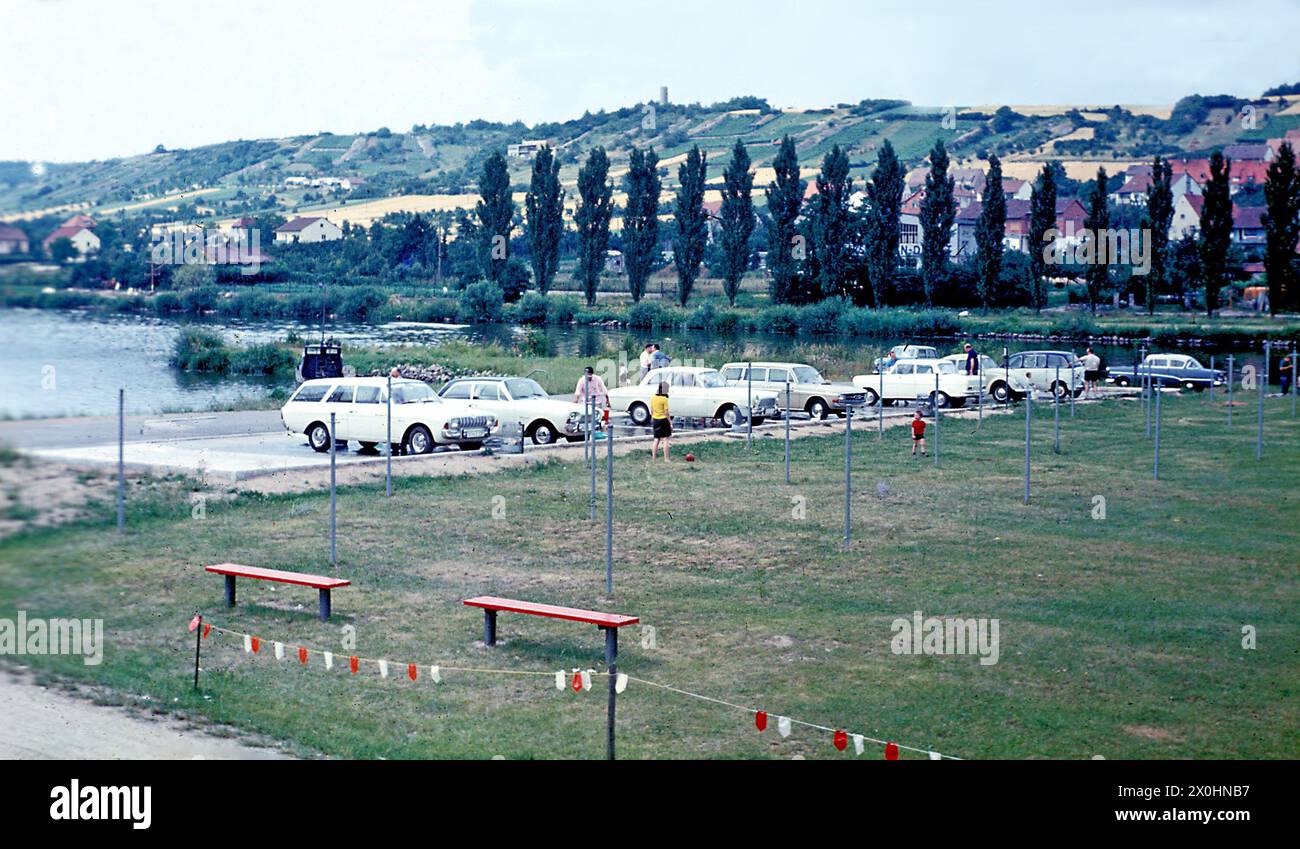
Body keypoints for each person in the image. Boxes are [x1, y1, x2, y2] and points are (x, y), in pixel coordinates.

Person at [651, 381, 671, 461]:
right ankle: (666, 458)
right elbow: (666, 412)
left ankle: (654, 458)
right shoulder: (664, 399)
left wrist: (654, 417)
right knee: (665, 439)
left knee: (656, 439)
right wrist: (670, 422)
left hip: (655, 420)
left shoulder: (653, 397)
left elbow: (651, 410)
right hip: (663, 420)